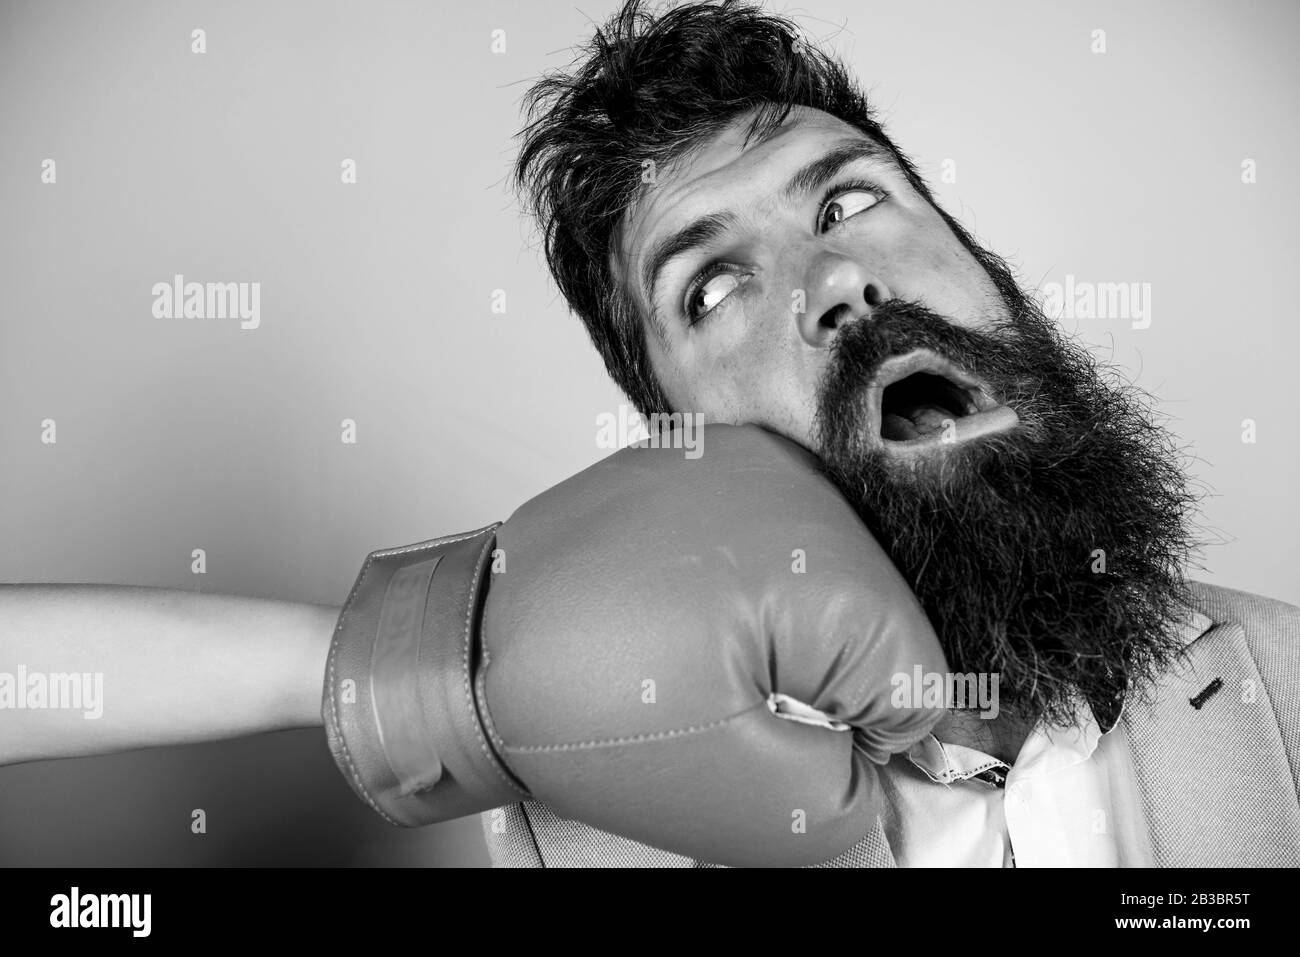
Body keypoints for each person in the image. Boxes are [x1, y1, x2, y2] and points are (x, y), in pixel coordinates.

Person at [4, 0, 1298, 868]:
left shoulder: (1283, 686)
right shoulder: (594, 814)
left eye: (848, 200)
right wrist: (437, 652)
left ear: (989, 271)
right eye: (712, 285)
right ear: (678, 434)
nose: (837, 282)